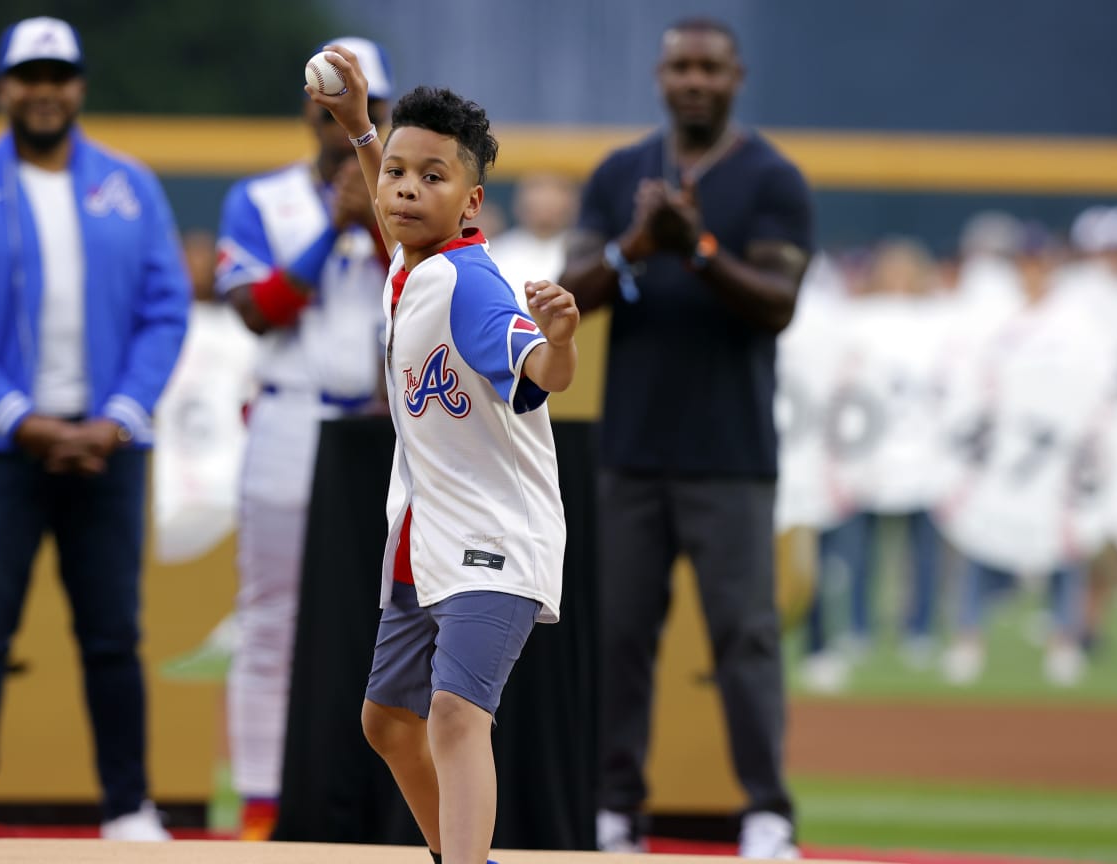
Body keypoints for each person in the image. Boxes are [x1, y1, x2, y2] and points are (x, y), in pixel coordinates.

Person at [0, 16, 189, 844]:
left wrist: (118, 418)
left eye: (57, 75)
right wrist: (17, 418)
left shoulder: (129, 186)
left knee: (113, 632)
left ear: (78, 87)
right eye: (27, 76)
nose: (43, 91)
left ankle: (128, 806)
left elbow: (166, 308)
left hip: (111, 443)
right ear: (3, 88)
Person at [310, 46, 579, 864]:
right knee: (387, 722)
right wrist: (360, 127)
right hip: (425, 532)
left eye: (432, 177)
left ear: (472, 204)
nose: (403, 188)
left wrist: (560, 342)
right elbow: (388, 192)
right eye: (396, 172)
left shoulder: (472, 283)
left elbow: (539, 374)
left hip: (497, 537)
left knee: (458, 715)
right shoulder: (410, 263)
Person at [557, 17, 811, 859]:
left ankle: (766, 811)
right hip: (629, 448)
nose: (694, 81)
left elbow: (778, 303)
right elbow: (566, 297)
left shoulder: (772, 178)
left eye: (709, 67)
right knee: (620, 635)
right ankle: (614, 808)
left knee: (744, 637)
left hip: (730, 453)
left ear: (736, 76)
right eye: (680, 67)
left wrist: (696, 249)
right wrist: (638, 244)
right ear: (660, 78)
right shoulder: (620, 174)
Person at [213, 35, 395, 841]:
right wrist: (330, 231)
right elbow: (254, 311)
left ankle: (380, 799)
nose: (343, 120)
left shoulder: (412, 194)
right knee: (272, 620)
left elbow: (435, 284)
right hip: (292, 411)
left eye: (362, 106)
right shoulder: (264, 197)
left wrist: (376, 212)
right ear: (308, 110)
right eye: (328, 106)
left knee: (390, 619)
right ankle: (261, 800)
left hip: (386, 425)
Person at [486, 172, 579, 292]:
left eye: (557, 189)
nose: (545, 198)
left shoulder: (584, 252)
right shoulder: (495, 252)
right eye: (537, 187)